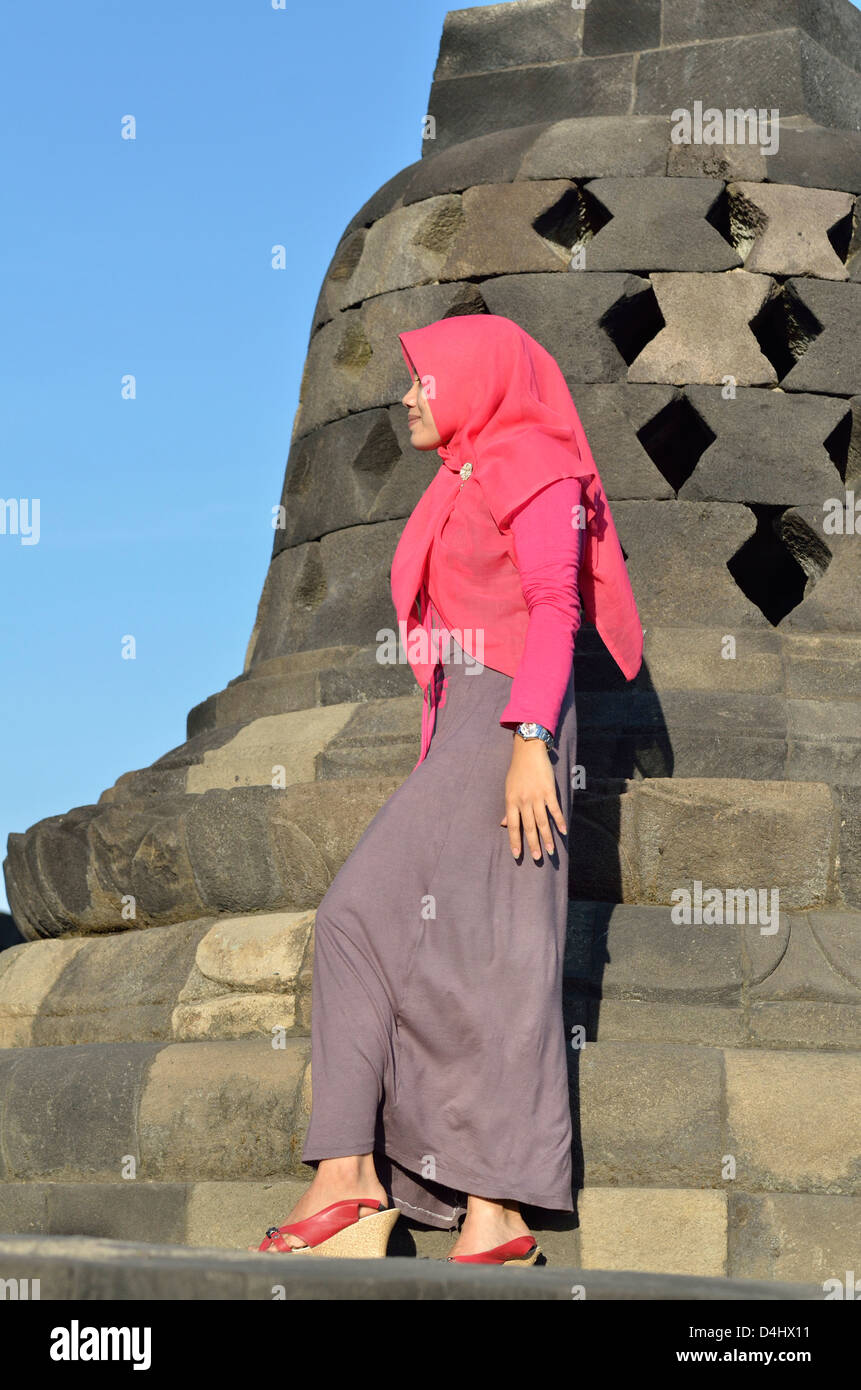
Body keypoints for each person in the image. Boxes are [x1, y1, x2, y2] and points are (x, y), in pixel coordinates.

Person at [251, 314, 643, 1264]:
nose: (408, 396)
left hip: (514, 715)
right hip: (469, 719)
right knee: (420, 931)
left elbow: (558, 609)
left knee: (461, 937)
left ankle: (453, 1202)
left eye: (424, 380)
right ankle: (408, 1194)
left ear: (476, 380)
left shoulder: (537, 466)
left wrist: (529, 741)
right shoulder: (464, 474)